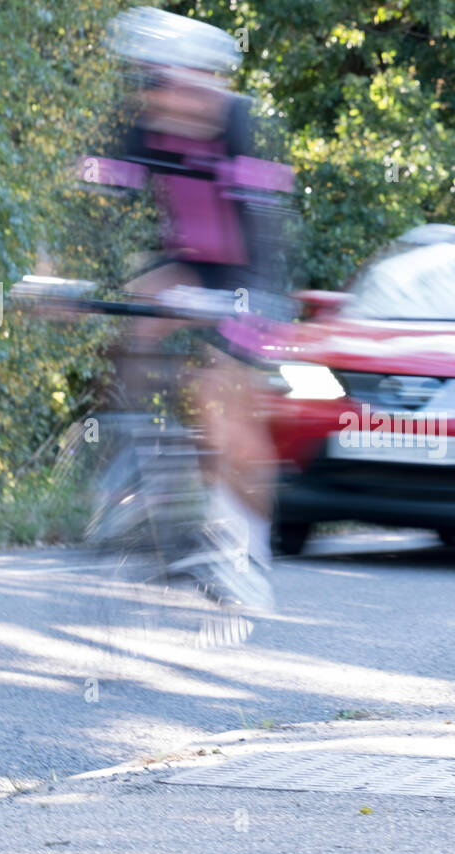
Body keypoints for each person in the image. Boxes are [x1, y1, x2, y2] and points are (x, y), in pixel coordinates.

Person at [87, 6, 297, 609]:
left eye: (166, 82)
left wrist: (237, 307)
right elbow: (95, 206)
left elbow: (265, 232)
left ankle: (246, 549)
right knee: (131, 321)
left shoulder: (241, 122)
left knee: (217, 399)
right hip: (188, 265)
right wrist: (56, 282)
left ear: (205, 78)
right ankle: (130, 454)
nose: (156, 97)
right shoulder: (139, 124)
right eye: (146, 82)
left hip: (253, 273)